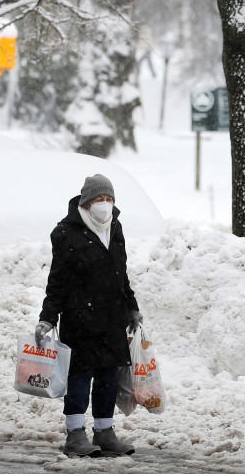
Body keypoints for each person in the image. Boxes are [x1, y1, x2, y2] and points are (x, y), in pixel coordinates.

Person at [35, 174, 143, 457]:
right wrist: (48, 317)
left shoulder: (115, 227)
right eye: (99, 199)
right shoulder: (67, 232)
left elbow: (121, 273)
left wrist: (131, 306)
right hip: (80, 318)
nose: (105, 205)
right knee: (80, 378)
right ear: (87, 202)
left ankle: (105, 432)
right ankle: (75, 435)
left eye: (109, 199)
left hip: (112, 318)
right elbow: (57, 280)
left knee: (108, 376)